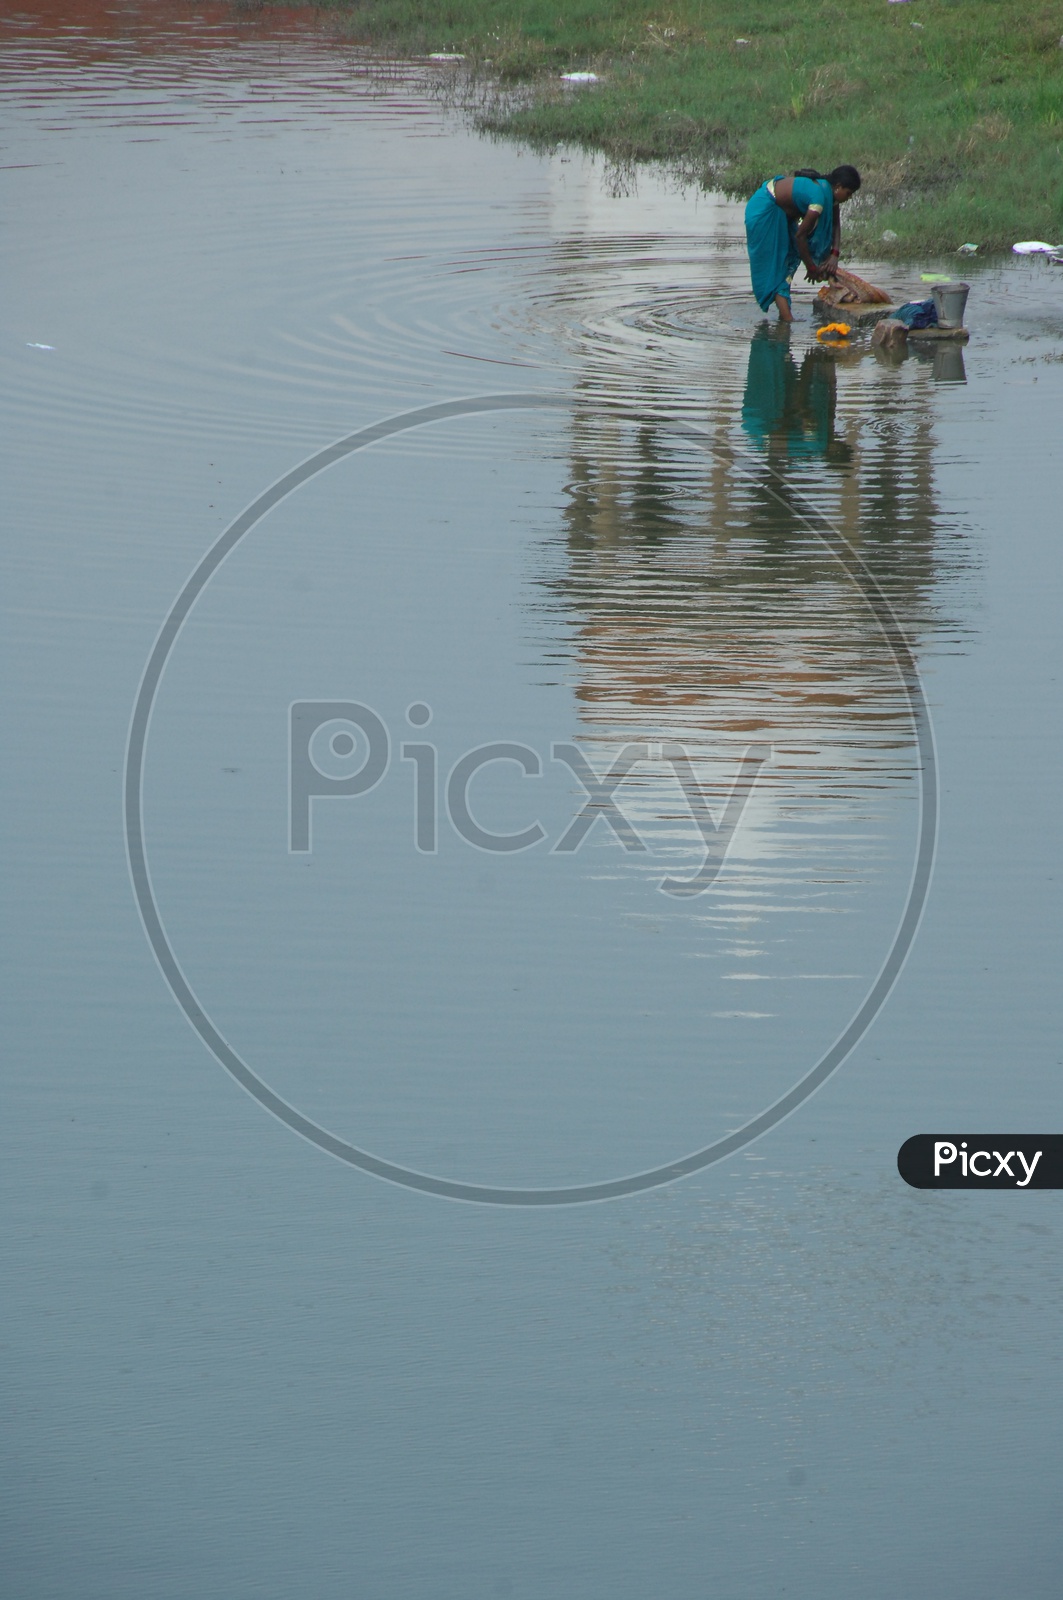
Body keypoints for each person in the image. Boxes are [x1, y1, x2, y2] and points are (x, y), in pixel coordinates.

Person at [744, 165, 861, 322]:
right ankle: (787, 322)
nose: (849, 198)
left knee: (789, 260)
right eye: (849, 193)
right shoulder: (819, 200)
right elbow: (801, 236)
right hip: (764, 211)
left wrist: (834, 254)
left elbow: (835, 225)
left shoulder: (829, 196)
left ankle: (785, 317)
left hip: (782, 214)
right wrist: (811, 267)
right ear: (838, 187)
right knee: (779, 266)